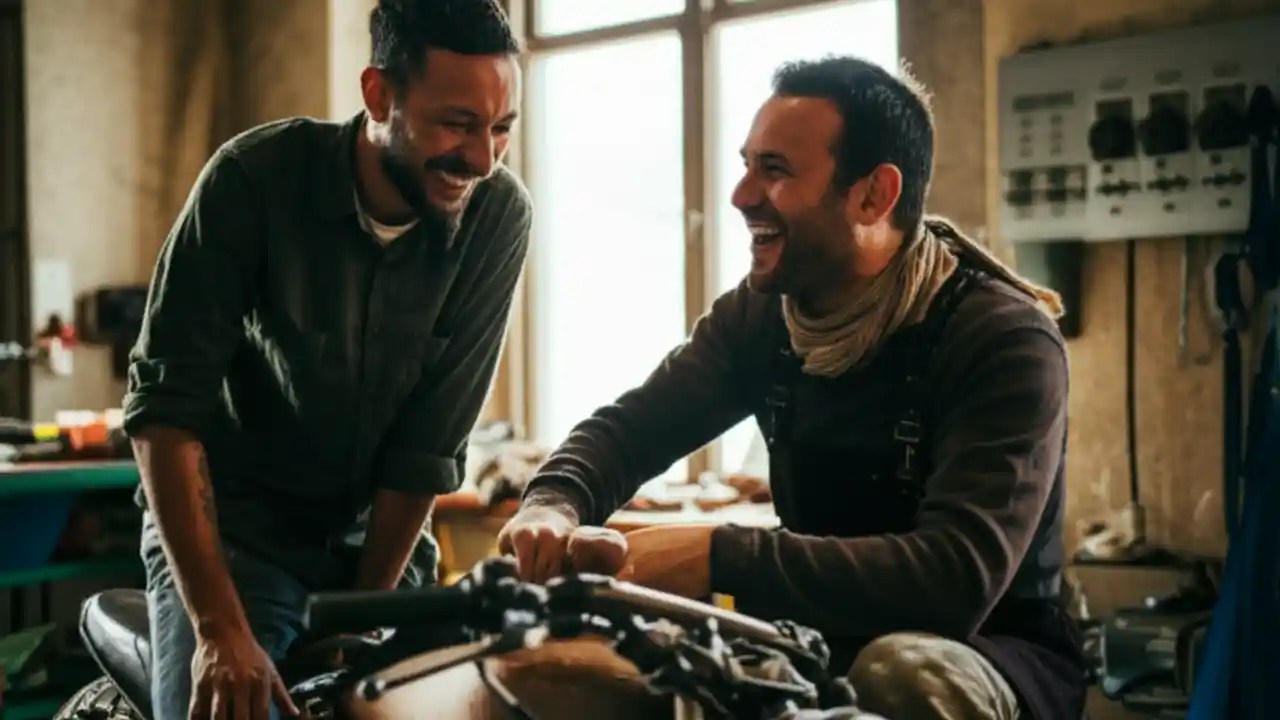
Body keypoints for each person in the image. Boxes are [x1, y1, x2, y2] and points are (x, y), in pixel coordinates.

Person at [499, 56, 1086, 720]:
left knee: (905, 674)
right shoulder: (759, 318)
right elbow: (630, 431)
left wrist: (717, 556)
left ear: (873, 196)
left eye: (773, 171)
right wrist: (552, 504)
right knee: (582, 666)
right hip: (812, 641)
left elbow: (955, 578)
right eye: (747, 164)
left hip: (987, 652)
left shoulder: (1002, 339)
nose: (741, 194)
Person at [121, 1, 530, 718]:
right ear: (379, 95)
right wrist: (220, 632)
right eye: (457, 124)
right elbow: (164, 412)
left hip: (382, 550)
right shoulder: (250, 182)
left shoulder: (498, 215)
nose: (482, 159)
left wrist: (364, 620)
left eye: (501, 128)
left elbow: (425, 451)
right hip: (238, 545)